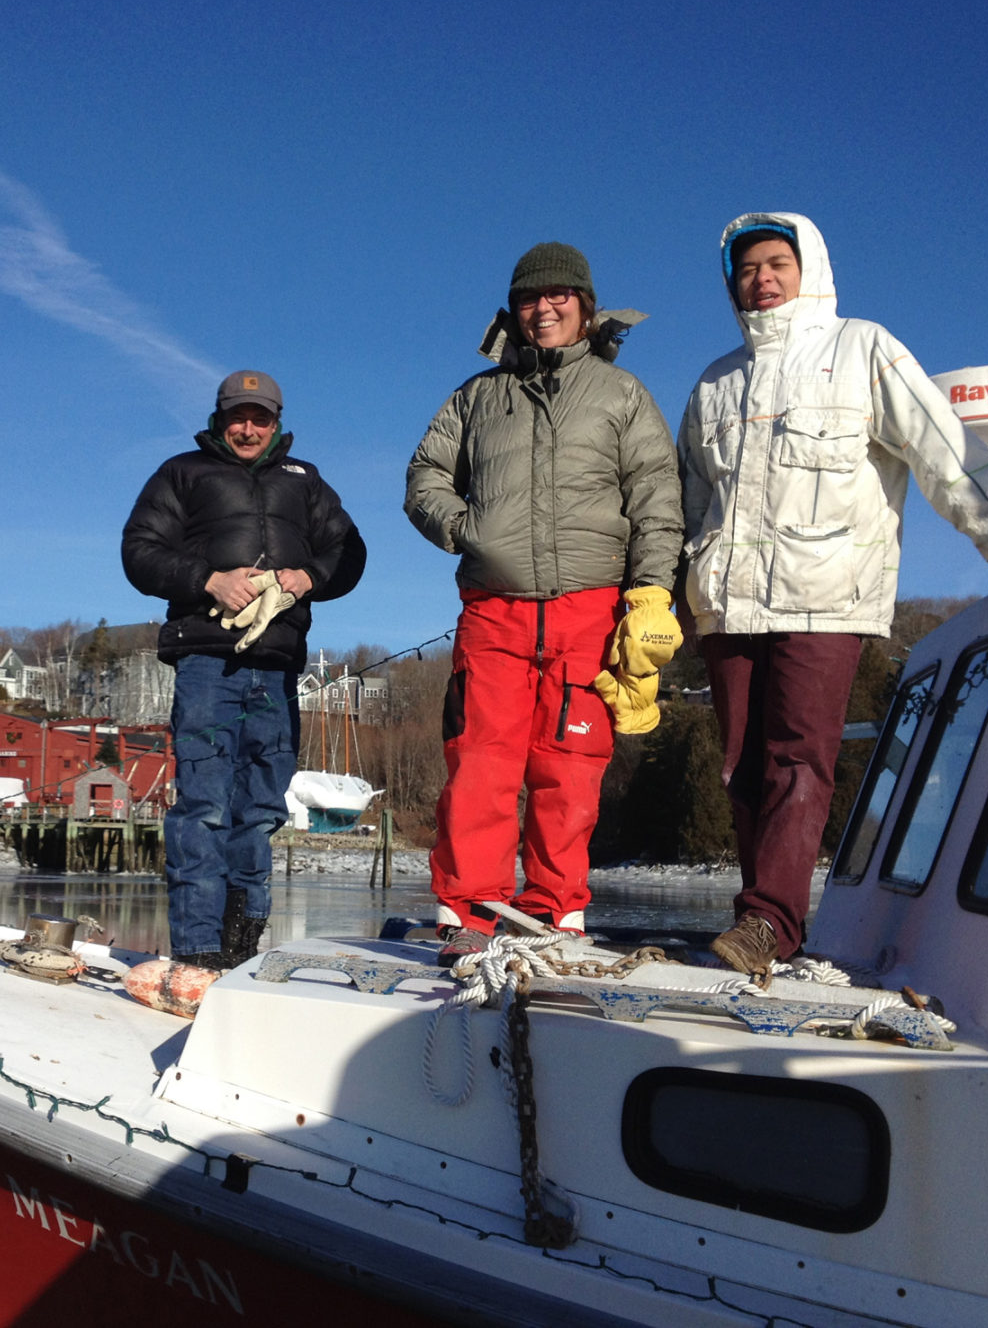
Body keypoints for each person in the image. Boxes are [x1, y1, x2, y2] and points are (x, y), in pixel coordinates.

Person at [677, 211, 988, 981]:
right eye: (747, 269)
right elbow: (691, 504)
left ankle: (770, 921)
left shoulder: (863, 349)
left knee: (798, 758)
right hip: (727, 604)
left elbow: (946, 456)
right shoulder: (714, 382)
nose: (762, 279)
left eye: (776, 264)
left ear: (810, 270)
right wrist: (671, 598)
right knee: (742, 768)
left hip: (825, 595)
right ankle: (760, 921)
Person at [406, 242, 684, 965]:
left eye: (560, 295)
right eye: (530, 298)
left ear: (586, 308)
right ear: (513, 311)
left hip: (590, 611)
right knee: (481, 763)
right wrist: (468, 529)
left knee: (571, 767)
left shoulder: (622, 395)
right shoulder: (477, 397)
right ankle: (470, 913)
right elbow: (426, 475)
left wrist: (652, 592)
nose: (544, 308)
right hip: (494, 611)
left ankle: (556, 913)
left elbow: (658, 495)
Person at [122, 370, 366, 969]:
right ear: (220, 419)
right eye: (238, 417)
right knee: (204, 808)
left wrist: (308, 576)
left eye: (260, 418)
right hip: (208, 663)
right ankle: (197, 952)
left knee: (259, 812)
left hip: (279, 668)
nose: (249, 429)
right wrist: (208, 580)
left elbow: (349, 551)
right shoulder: (182, 473)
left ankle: (238, 951)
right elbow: (139, 551)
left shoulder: (305, 480)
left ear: (277, 422)